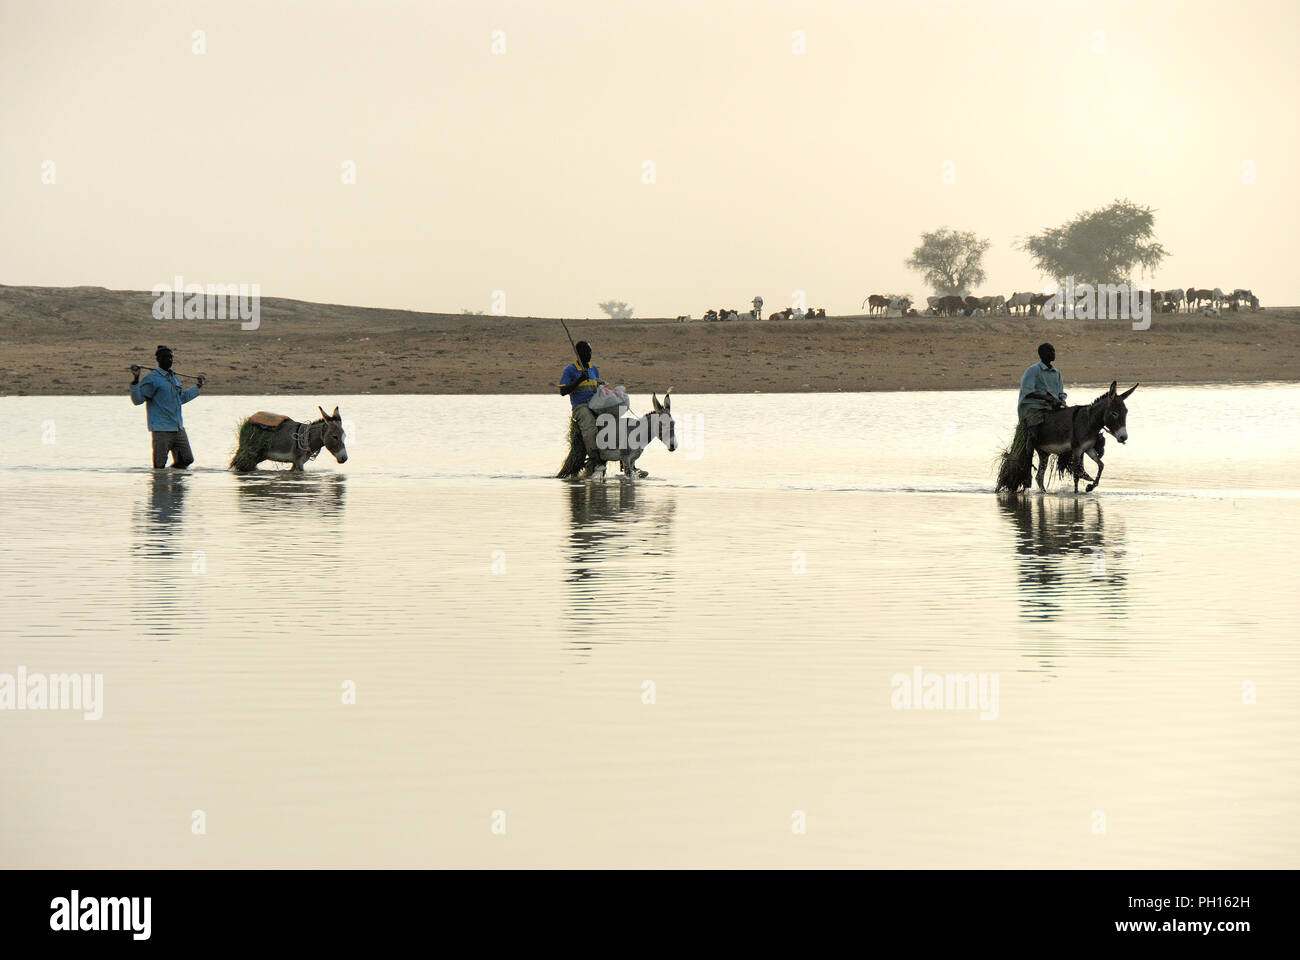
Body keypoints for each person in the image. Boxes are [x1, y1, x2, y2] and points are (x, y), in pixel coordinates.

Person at [130, 345, 205, 468]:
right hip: (161, 430)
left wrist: (197, 387)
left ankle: (175, 483)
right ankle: (161, 485)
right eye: (165, 357)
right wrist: (135, 380)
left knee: (187, 459)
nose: (169, 360)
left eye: (171, 357)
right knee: (159, 466)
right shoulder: (152, 379)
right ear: (158, 359)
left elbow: (181, 399)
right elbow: (137, 400)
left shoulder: (173, 377)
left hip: (178, 428)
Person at [558, 340, 619, 478]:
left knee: (613, 423)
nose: (590, 354)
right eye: (586, 352)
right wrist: (579, 379)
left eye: (590, 351)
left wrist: (602, 385)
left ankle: (624, 460)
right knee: (590, 428)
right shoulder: (570, 370)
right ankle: (595, 460)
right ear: (579, 354)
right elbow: (563, 391)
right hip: (581, 406)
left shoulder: (593, 369)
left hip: (595, 404)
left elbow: (595, 385)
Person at [1017, 342, 1067, 483]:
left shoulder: (1056, 372)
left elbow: (1061, 392)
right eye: (1050, 351)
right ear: (1042, 354)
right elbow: (1028, 392)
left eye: (1054, 350)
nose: (1053, 353)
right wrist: (1047, 398)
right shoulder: (1033, 371)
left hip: (1052, 408)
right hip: (1034, 408)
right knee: (1033, 434)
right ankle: (1026, 469)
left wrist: (1061, 400)